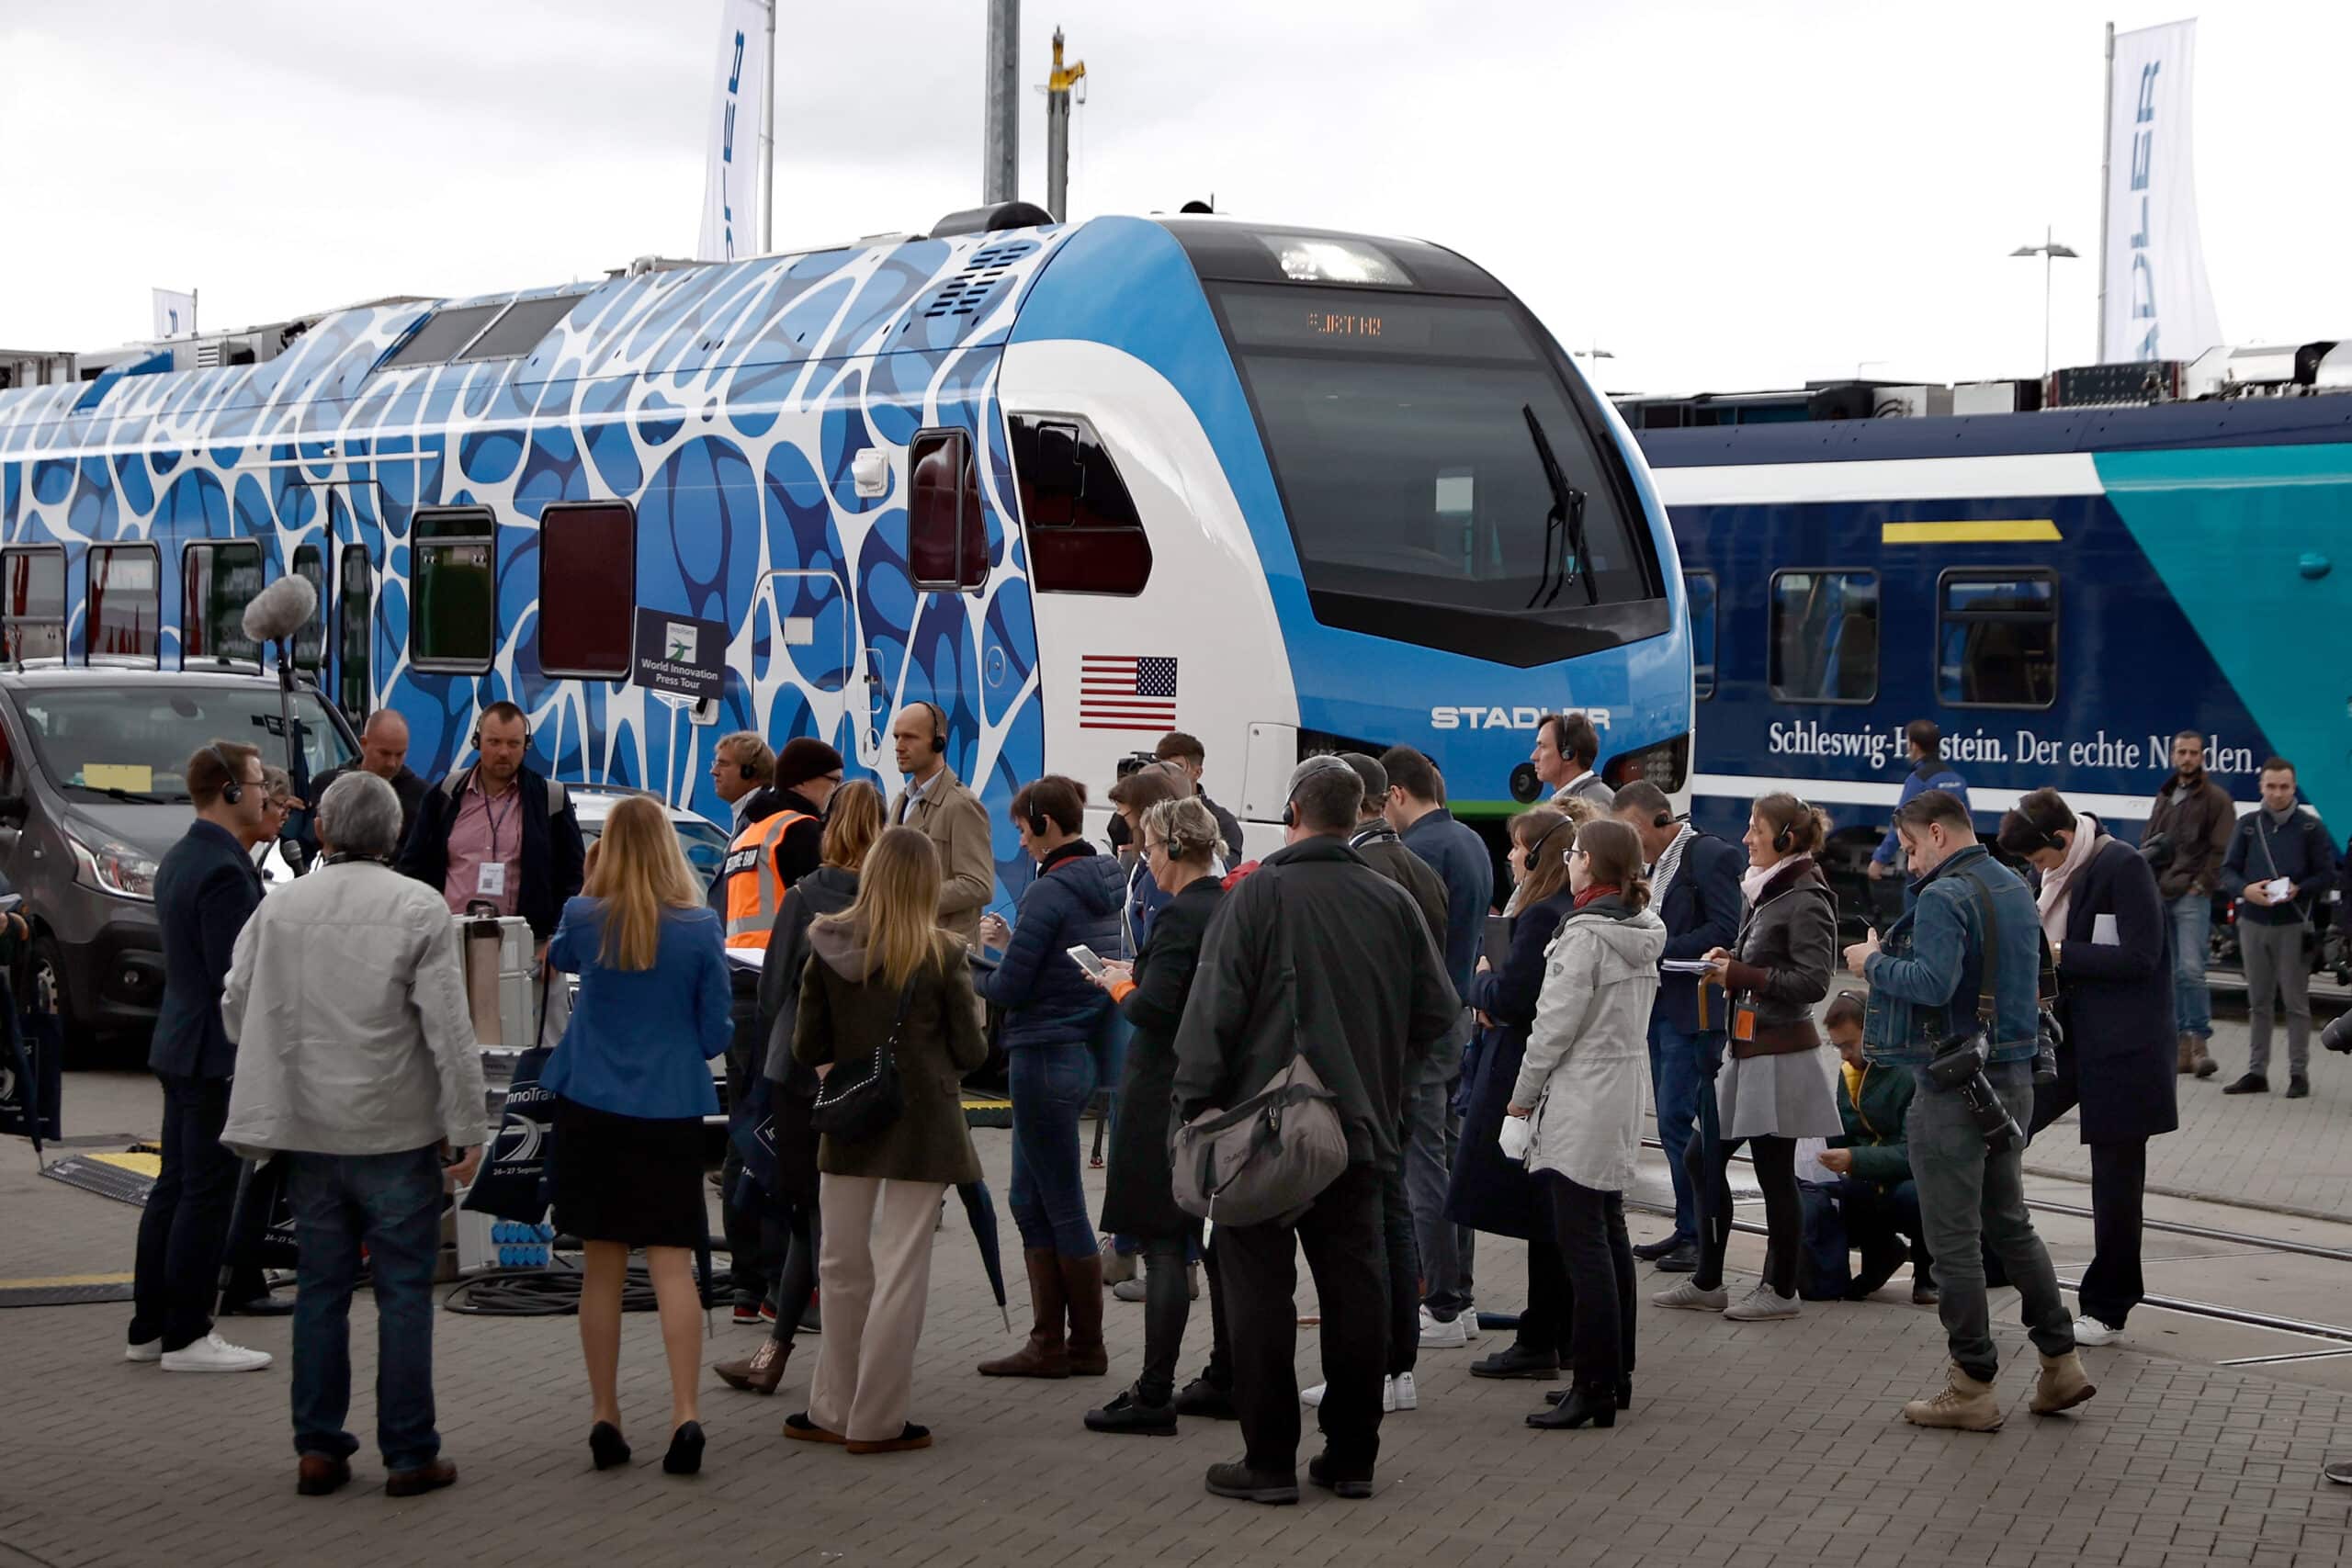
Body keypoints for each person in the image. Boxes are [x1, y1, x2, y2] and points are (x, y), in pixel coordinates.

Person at [1172, 755, 1458, 1504]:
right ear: (1359, 809)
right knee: (1355, 1287)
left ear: (1294, 809)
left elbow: (1214, 1006)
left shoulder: (1258, 891)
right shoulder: (1390, 897)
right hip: (1360, 1126)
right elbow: (1439, 1016)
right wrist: (1386, 1078)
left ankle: (1268, 1459)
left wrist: (1193, 1103)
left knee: (1259, 1286)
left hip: (1264, 1128)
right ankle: (1352, 1455)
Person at [220, 773, 487, 1499]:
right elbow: (448, 1030)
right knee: (403, 1294)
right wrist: (467, 1125)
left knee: (320, 1290)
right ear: (393, 836)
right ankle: (409, 1452)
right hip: (394, 1129)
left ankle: (318, 1447)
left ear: (326, 833)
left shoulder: (282, 905)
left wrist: (274, 1055)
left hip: (307, 1130)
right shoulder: (417, 907)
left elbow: (236, 1001)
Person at [1844, 789, 2093, 1431]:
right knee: (2010, 1223)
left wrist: (1870, 961)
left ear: (1935, 834)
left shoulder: (1943, 896)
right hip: (2013, 1079)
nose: (1909, 861)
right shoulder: (2015, 884)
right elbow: (2042, 979)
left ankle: (1972, 1382)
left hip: (1953, 1086)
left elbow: (1933, 983)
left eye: (1909, 847)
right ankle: (2060, 1363)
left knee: (1953, 1239)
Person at [540, 795, 732, 1477]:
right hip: (670, 1107)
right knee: (673, 1261)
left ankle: (605, 1413)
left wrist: (593, 882)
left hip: (591, 1103)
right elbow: (715, 1032)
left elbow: (557, 955)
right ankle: (685, 1412)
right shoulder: (700, 925)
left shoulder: (585, 916)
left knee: (602, 1265)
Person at [786, 828, 989, 1455]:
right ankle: (877, 1419)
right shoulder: (943, 953)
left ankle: (830, 1406)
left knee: (840, 1264)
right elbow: (972, 1050)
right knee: (902, 1268)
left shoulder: (825, 942)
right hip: (924, 1124)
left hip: (850, 1118)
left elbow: (805, 1046)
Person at [714, 782, 887, 1395]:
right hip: (867, 1073)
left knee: (805, 1215)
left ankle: (780, 1349)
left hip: (798, 1070)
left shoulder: (807, 895)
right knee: (851, 1221)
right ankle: (844, 1350)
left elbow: (772, 987)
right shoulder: (886, 898)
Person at [1997, 788, 2177, 1347]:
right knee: (2003, 1132)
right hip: (2068, 1040)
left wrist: (2060, 954)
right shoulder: (2055, 876)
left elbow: (2141, 956)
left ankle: (2107, 1306)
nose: (2035, 870)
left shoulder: (2122, 866)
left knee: (2116, 1183)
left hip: (2125, 1049)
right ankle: (1995, 1253)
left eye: (2038, 858)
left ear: (2062, 838)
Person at [1660, 795, 1842, 1321]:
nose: (1746, 839)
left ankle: (1780, 1289)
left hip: (1778, 1053)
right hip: (1749, 1048)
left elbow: (1813, 981)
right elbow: (1772, 963)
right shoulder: (1770, 891)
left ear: (1785, 838)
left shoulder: (1804, 895)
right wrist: (1732, 960)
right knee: (1703, 1157)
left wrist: (1737, 974)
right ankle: (1710, 1282)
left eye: (1755, 829)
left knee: (1773, 1171)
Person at [1507, 817, 1663, 1430]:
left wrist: (1520, 1100)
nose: (1568, 860)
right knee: (1608, 1228)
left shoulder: (1584, 937)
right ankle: (1614, 1373)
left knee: (1584, 1242)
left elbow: (1552, 1030)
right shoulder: (1642, 927)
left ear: (1592, 864)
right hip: (1620, 1088)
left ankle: (1593, 1383)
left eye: (1574, 853)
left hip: (1581, 1094)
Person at [1080, 796, 1227, 1435]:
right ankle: (1226, 1372)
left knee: (1165, 1243)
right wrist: (1135, 971)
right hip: (1213, 1087)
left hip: (1163, 1090)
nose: (1145, 858)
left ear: (1171, 848)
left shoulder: (1179, 916)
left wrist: (1116, 984)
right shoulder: (1228, 904)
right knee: (1212, 1247)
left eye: (1148, 845)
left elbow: (1152, 1009)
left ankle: (1155, 1389)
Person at [973, 775, 1126, 1380]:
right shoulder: (1100, 883)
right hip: (1077, 1049)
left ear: (1044, 824)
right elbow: (1060, 962)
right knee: (1029, 1196)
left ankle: (1071, 1344)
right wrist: (1013, 946)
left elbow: (1011, 987)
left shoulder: (1049, 891)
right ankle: (1058, 1340)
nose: (1021, 838)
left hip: (1043, 1052)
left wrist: (973, 966)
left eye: (1022, 826)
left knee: (1058, 1203)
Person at [128, 740, 274, 1374]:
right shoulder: (223, 870)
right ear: (231, 791)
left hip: (177, 1040)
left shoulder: (181, 857)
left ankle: (149, 1325)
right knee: (206, 1193)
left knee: (175, 1186)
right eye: (259, 781)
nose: (268, 792)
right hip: (214, 1049)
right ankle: (189, 1332)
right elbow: (237, 975)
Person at [1319, 751, 1449, 1411]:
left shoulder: (1363, 872)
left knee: (1365, 1225)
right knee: (1394, 1210)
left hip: (1364, 1068)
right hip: (1406, 1063)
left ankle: (1375, 1369)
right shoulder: (1420, 868)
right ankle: (1399, 1365)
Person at [1450, 807, 1584, 1386]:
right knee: (1550, 1213)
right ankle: (1556, 1332)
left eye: (1517, 847)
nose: (1509, 856)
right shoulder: (1569, 912)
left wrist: (1480, 980)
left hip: (1520, 1072)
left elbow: (1510, 997)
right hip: (1556, 1075)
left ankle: (1539, 1337)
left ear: (1537, 856)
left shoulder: (1537, 918)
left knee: (1536, 1211)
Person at [715, 736, 844, 1320]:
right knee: (781, 1138)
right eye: (833, 782)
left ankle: (745, 1283)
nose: (835, 795)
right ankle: (780, 1283)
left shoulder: (747, 833)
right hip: (781, 996)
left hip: (741, 990)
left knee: (746, 1134)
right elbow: (820, 913)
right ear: (808, 781)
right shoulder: (799, 831)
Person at [1377, 743, 1492, 1348]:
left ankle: (1440, 1302)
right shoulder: (1471, 842)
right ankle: (1462, 1295)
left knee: (1421, 1166)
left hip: (1423, 1027)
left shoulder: (1416, 851)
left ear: (1397, 793)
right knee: (1450, 1159)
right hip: (1460, 1019)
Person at [1611, 780, 1742, 1274]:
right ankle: (1687, 1227)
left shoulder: (1707, 856)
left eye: (1630, 831)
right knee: (1668, 1119)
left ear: (1649, 822)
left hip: (1693, 1009)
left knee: (1676, 1118)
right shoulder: (1652, 866)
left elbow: (1724, 930)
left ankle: (1699, 1234)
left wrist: (1658, 947)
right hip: (1661, 1005)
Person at [397, 699, 586, 945]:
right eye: (494, 742)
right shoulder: (444, 795)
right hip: (449, 941)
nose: (504, 752)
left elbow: (574, 879)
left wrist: (554, 939)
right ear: (477, 742)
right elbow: (413, 870)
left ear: (526, 746)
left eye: (513, 743)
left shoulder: (551, 800)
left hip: (523, 944)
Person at [1798, 993, 1933, 1304]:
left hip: (1914, 1175)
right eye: (1838, 1046)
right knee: (1836, 1194)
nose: (1844, 1055)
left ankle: (1929, 1273)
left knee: (1914, 1195)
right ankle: (1882, 1255)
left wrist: (1853, 1158)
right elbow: (1846, 1132)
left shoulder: (1911, 1072)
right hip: (1872, 1173)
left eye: (1849, 1044)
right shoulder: (1851, 1075)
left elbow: (1915, 1153)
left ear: (1873, 1033)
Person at [2217, 758, 2336, 1098]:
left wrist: (2299, 888)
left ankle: (2299, 1073)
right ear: (2261, 787)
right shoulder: (2249, 824)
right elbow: (2228, 871)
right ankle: (2257, 1072)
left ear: (2294, 786)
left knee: (2296, 1004)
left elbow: (2328, 875)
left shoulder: (2310, 828)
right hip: (2254, 924)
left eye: (2284, 786)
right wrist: (2245, 890)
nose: (2278, 793)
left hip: (2293, 926)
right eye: (2271, 786)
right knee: (2258, 1001)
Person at [2140, 731, 2235, 1078]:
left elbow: (2221, 850)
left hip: (2191, 896)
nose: (2187, 758)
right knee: (2170, 972)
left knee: (2192, 970)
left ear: (2203, 757)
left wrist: (2201, 885)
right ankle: (2180, 1046)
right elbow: (2150, 840)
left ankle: (2199, 1041)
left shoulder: (2216, 799)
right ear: (2173, 756)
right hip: (2161, 893)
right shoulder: (2165, 796)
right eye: (2182, 752)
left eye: (2193, 753)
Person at [886, 703, 994, 945]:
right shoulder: (902, 800)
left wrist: (910, 897)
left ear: (938, 742)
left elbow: (979, 885)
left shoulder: (961, 805)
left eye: (910, 737)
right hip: (903, 947)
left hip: (942, 956)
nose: (899, 746)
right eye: (896, 737)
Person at [299, 710, 426, 859]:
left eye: (399, 754)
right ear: (364, 744)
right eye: (384, 753)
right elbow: (305, 847)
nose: (392, 763)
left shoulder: (422, 797)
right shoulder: (327, 784)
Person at [1867, 720, 1969, 903]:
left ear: (1913, 746)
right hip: (1954, 862)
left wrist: (1879, 860)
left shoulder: (1918, 780)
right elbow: (1967, 822)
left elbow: (1900, 823)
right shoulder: (1956, 779)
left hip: (1925, 864)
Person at [1155, 731, 1247, 864]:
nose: (1169, 774)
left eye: (1177, 767)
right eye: (1163, 767)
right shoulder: (1149, 813)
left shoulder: (1222, 821)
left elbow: (1226, 874)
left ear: (1197, 772)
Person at [1531, 713, 1614, 810]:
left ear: (1568, 754)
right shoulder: (1586, 799)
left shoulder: (1590, 806)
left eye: (1543, 746)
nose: (1533, 756)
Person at [708, 729, 777, 834]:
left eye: (723, 764)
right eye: (715, 764)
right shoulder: (750, 814)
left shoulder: (763, 817)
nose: (714, 771)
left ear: (749, 771)